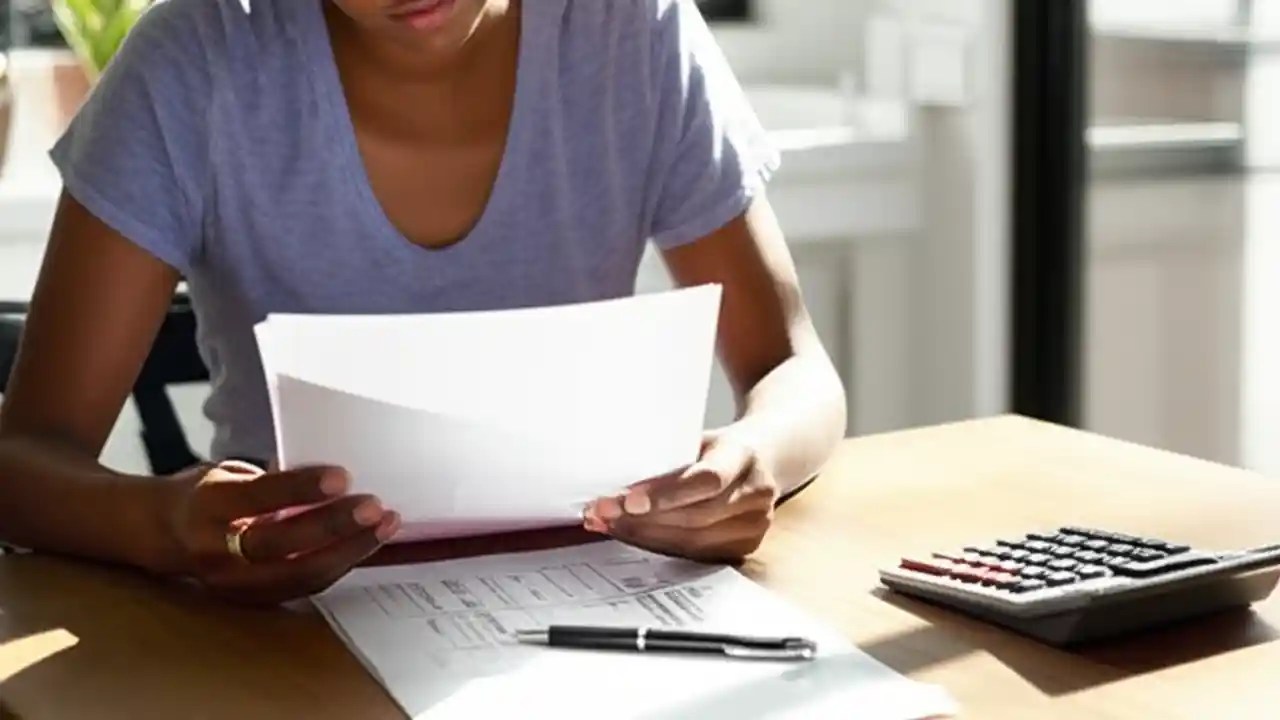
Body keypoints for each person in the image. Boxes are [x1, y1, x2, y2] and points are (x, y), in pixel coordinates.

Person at [0, 0, 846, 604]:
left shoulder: (634, 29)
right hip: (290, 628)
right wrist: (166, 523)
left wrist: (753, 460)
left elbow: (794, 370)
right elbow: (23, 461)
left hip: (602, 595)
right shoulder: (193, 63)